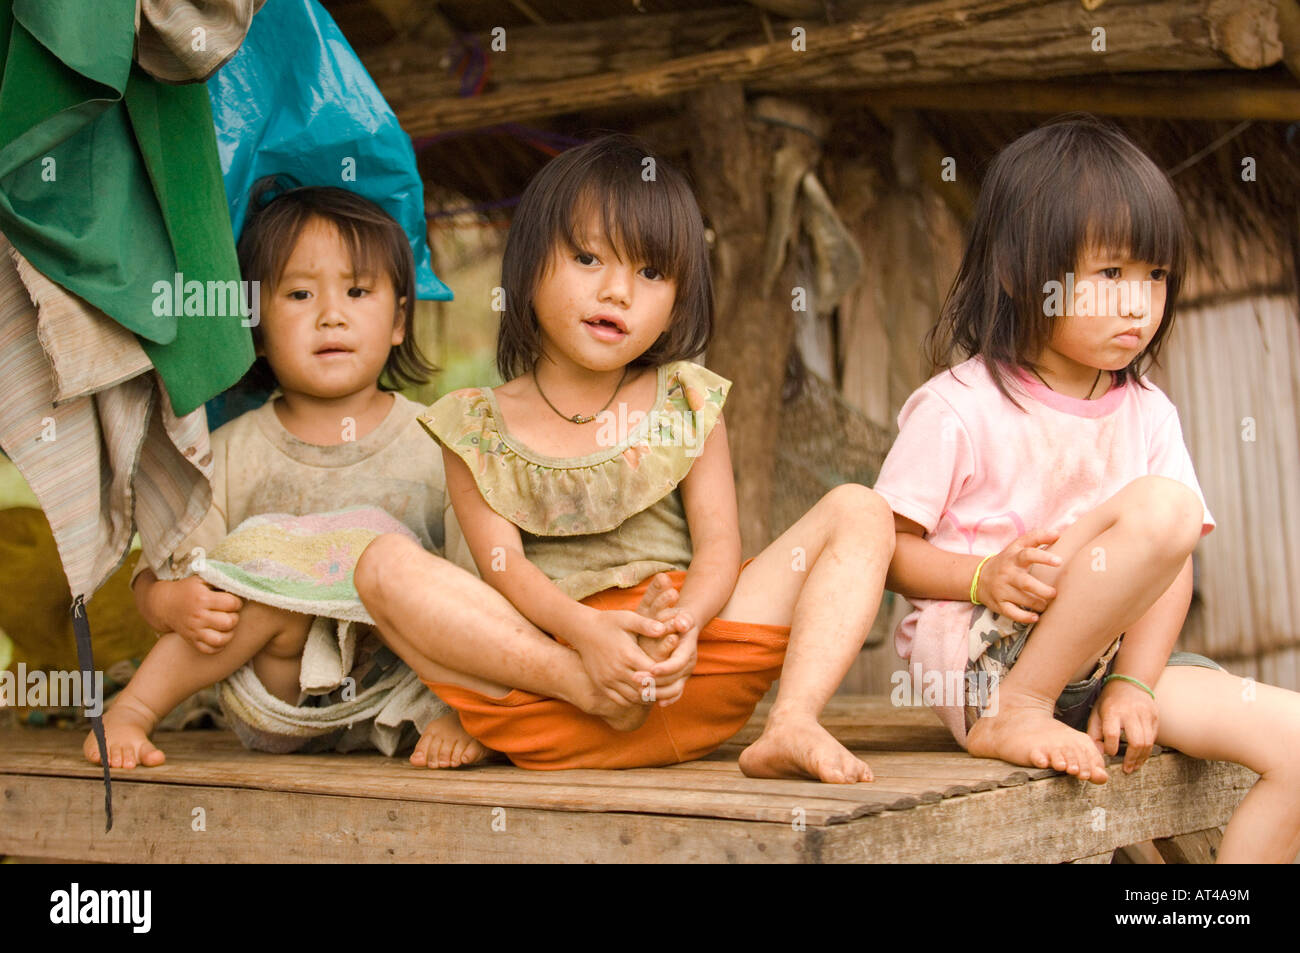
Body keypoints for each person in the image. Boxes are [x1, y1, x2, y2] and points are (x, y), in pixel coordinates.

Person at [355, 134, 896, 781]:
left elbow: (720, 547)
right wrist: (587, 640)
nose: (617, 291)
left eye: (650, 273)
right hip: (550, 688)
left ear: (676, 304)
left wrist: (687, 624)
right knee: (382, 565)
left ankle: (794, 721)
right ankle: (585, 686)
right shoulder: (474, 424)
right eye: (589, 258)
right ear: (528, 268)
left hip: (690, 670)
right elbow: (507, 572)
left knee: (860, 510)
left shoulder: (687, 399)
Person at [874, 116, 1300, 861]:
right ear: (1018, 271)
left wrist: (1135, 679)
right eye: (1109, 275)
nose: (1139, 304)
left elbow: (1170, 564)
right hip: (991, 665)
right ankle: (1023, 708)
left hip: (1107, 667)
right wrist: (981, 575)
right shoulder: (959, 407)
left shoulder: (1148, 411)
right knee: (1164, 505)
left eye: (1155, 277)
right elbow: (886, 553)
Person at [84, 183, 455, 768]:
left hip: (408, 694)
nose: (331, 315)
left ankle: (469, 713)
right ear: (256, 327)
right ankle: (131, 711)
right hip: (281, 699)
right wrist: (169, 605)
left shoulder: (442, 442)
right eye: (300, 293)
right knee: (273, 591)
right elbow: (161, 569)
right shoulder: (224, 455)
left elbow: (481, 577)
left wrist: (462, 704)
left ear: (398, 321)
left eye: (358, 291)